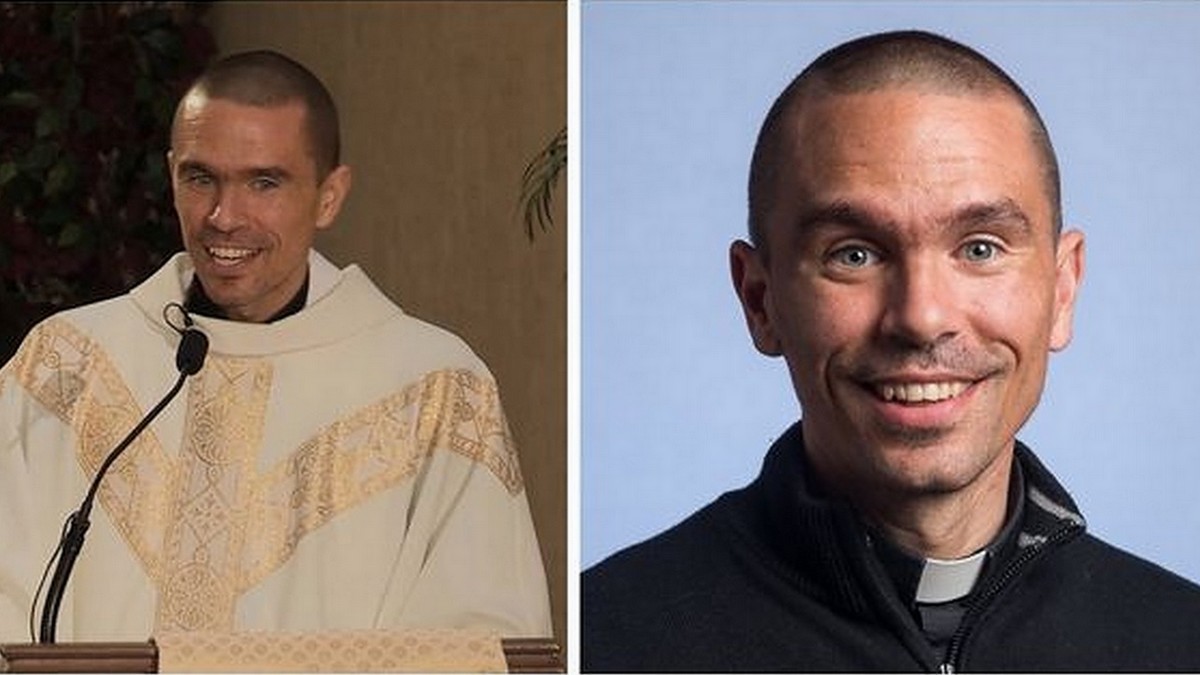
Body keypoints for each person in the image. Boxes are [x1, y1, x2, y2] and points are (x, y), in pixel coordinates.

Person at [582, 30, 1200, 672]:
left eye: (981, 247)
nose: (921, 318)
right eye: (854, 254)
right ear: (761, 301)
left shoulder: (1180, 642)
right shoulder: (607, 639)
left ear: (1062, 288)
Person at [0, 50, 551, 642]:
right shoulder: (68, 365)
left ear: (330, 195)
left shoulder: (436, 391)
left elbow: (482, 638)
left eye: (264, 182)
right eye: (200, 178)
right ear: (172, 176)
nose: (224, 217)